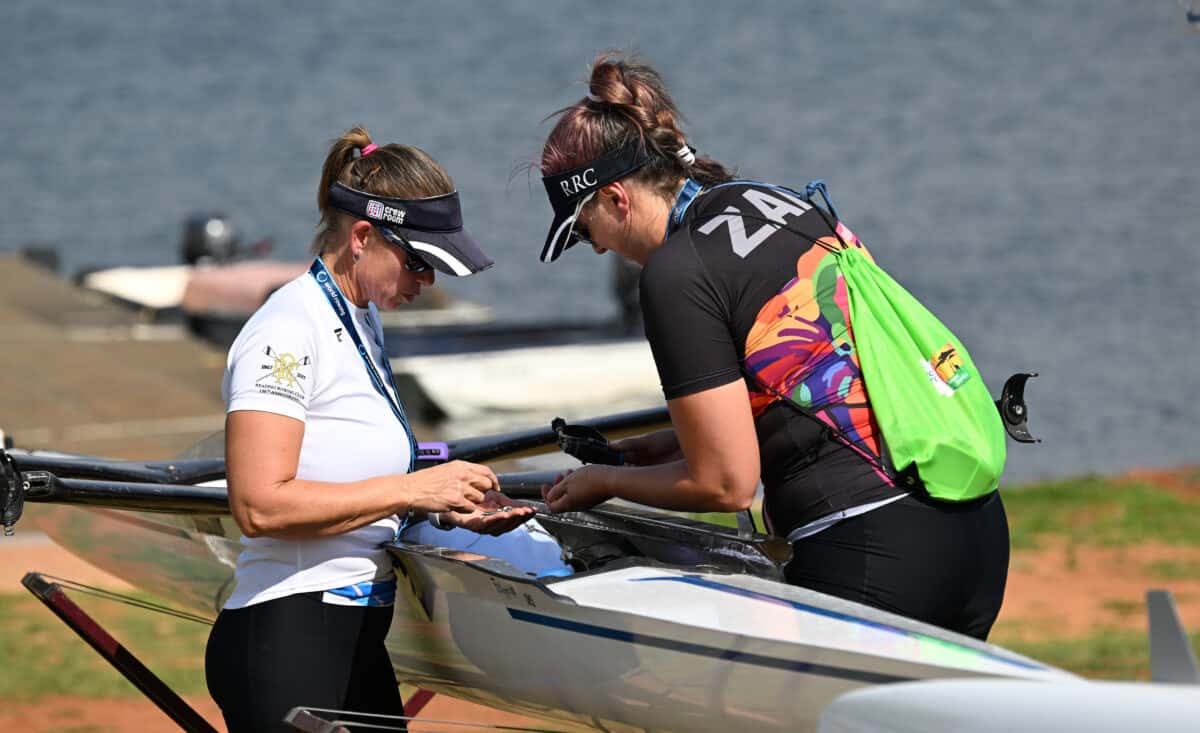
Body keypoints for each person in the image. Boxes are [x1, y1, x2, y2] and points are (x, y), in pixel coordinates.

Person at [535, 53, 1009, 640]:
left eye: (584, 231)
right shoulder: (768, 200)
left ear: (615, 198)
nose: (600, 249)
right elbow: (814, 379)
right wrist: (654, 450)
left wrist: (603, 484)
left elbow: (726, 484)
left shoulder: (676, 275)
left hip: (868, 549)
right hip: (974, 527)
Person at [205, 125, 535, 732]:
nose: (427, 283)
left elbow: (354, 480)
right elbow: (258, 505)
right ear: (362, 237)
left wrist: (445, 507)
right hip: (286, 638)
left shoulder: (361, 319)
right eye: (418, 263)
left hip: (352, 637)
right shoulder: (286, 329)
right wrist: (414, 490)